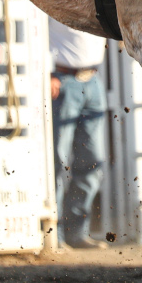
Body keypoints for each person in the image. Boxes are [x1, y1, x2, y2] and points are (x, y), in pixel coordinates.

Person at [48, 18, 108, 249]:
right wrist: (46, 71)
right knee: (58, 160)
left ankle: (75, 232)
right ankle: (56, 235)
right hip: (62, 79)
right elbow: (37, 30)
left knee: (92, 160)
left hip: (91, 79)